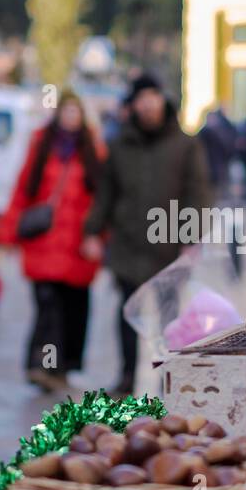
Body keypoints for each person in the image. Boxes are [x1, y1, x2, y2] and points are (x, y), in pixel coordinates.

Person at [81, 73, 210, 396]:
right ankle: (126, 378)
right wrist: (93, 230)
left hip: (167, 245)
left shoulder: (185, 144)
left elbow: (198, 194)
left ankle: (170, 377)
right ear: (133, 105)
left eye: (153, 95)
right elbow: (106, 192)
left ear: (162, 99)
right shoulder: (119, 144)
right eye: (142, 97)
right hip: (127, 243)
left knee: (169, 317)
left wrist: (190, 238)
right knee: (126, 313)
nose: (148, 103)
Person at [0, 90, 104, 393]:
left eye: (75, 112)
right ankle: (40, 365)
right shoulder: (41, 145)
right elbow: (22, 189)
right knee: (47, 308)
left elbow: (102, 197)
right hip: (44, 243)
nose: (70, 117)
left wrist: (99, 236)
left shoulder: (93, 149)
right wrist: (6, 232)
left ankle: (64, 367)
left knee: (74, 310)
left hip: (77, 246)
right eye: (66, 111)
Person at [199, 104, 238, 200]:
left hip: (217, 163)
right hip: (211, 163)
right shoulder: (211, 131)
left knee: (218, 185)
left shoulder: (219, 130)